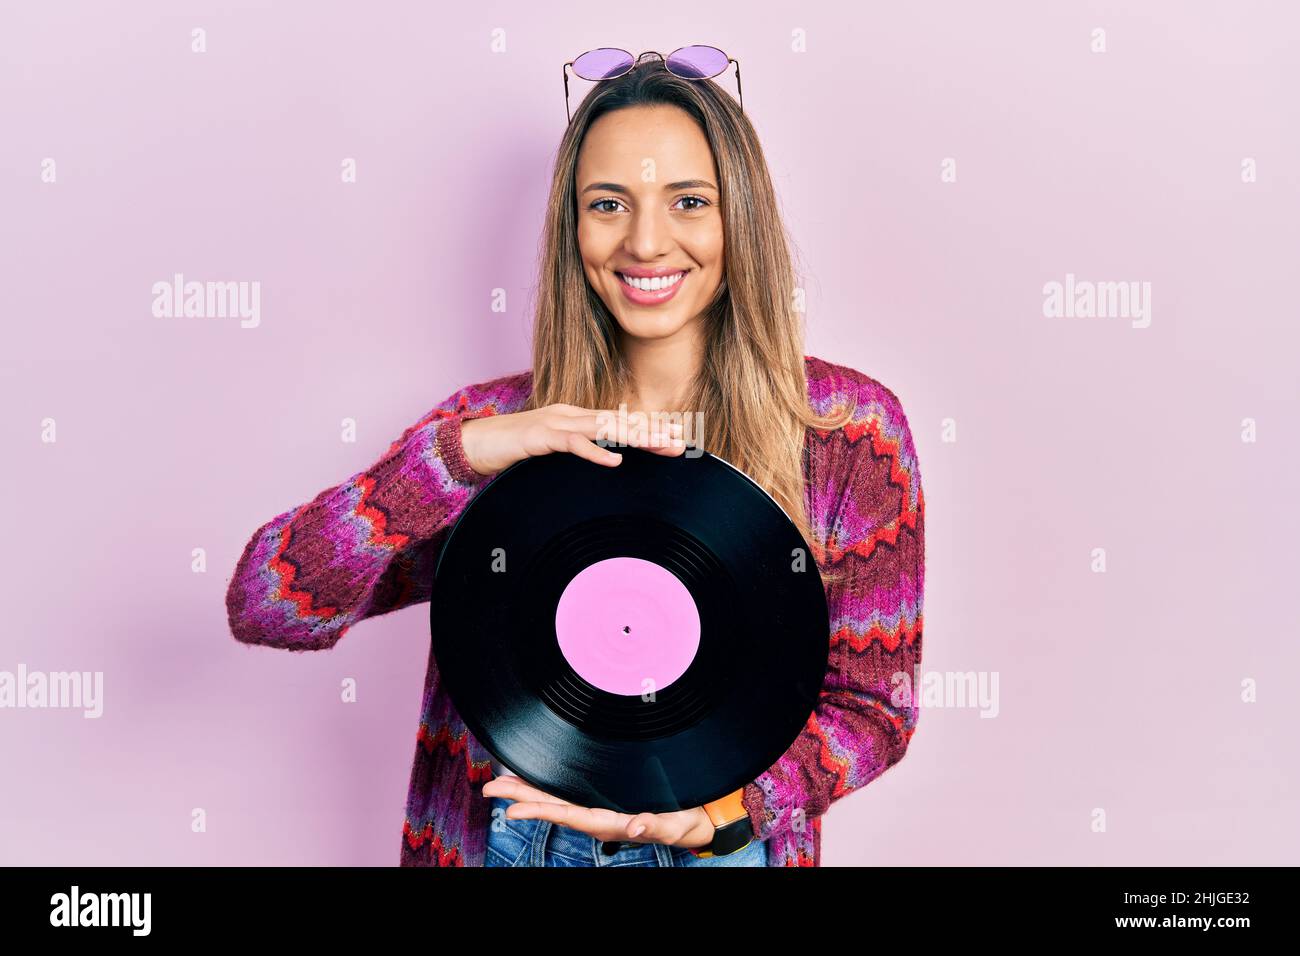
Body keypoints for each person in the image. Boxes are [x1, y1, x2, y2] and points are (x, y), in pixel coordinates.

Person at [225, 55, 925, 867]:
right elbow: (270, 602)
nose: (646, 241)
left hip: (719, 851)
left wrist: (721, 816)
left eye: (689, 202)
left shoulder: (850, 434)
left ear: (742, 218)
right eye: (608, 205)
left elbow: (876, 705)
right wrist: (458, 456)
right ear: (573, 227)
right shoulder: (486, 430)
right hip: (507, 845)